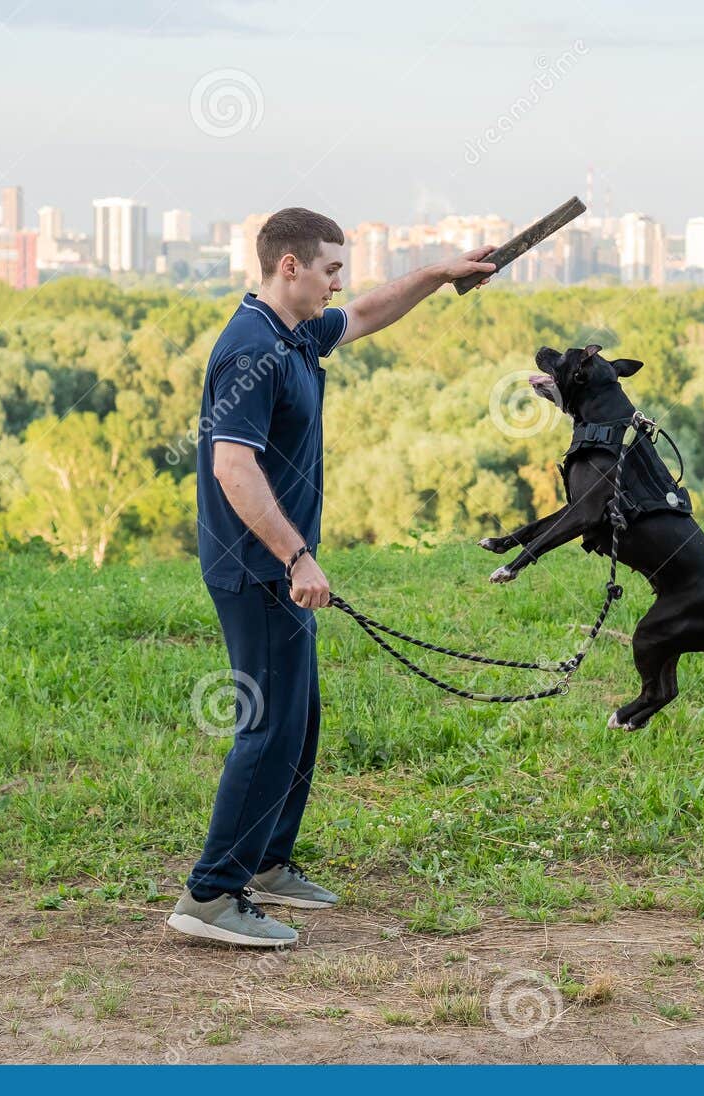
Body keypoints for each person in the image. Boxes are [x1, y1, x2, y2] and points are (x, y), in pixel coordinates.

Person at [167, 207, 496, 946]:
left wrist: (442, 275)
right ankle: (211, 894)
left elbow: (369, 312)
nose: (337, 282)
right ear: (290, 267)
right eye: (329, 269)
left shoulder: (295, 333)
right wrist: (295, 556)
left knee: (301, 718)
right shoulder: (250, 346)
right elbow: (231, 465)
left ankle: (268, 861)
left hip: (275, 567)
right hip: (255, 567)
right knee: (269, 727)